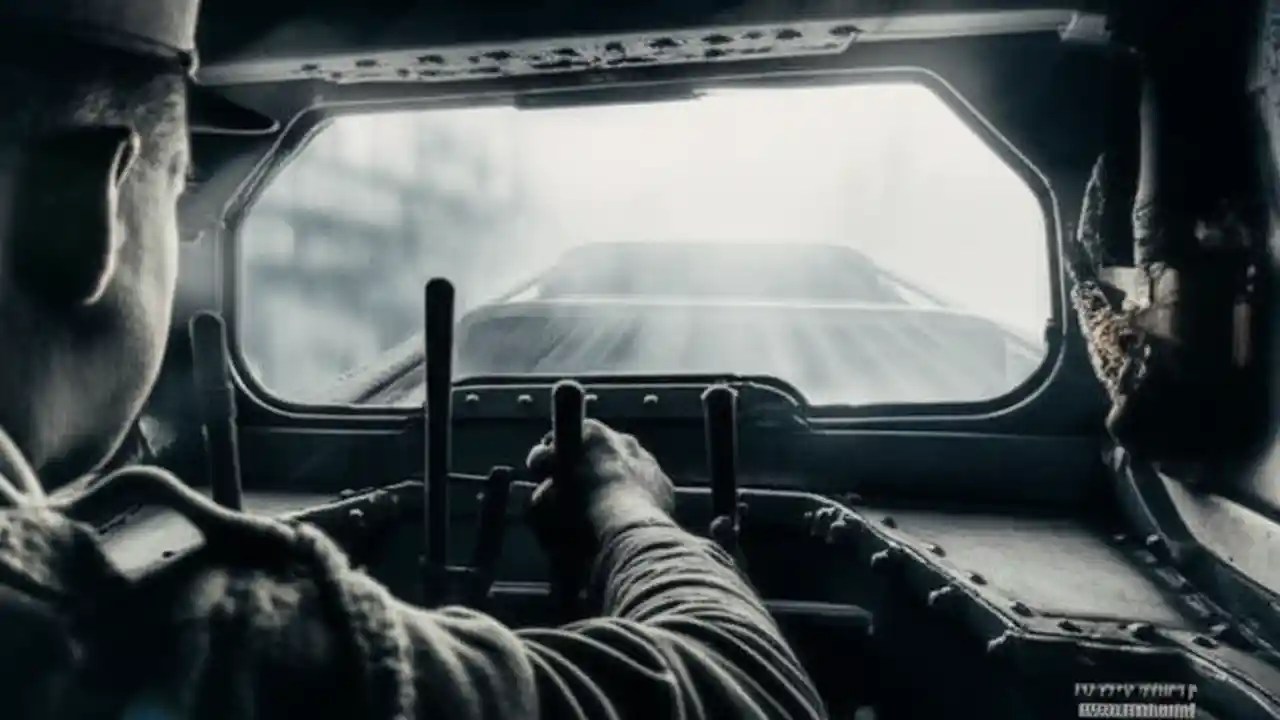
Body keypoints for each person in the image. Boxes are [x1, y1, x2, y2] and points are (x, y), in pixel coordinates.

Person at [0, 2, 827, 719]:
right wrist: (633, 514)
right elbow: (747, 693)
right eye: (178, 190)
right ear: (88, 210)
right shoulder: (125, 645)